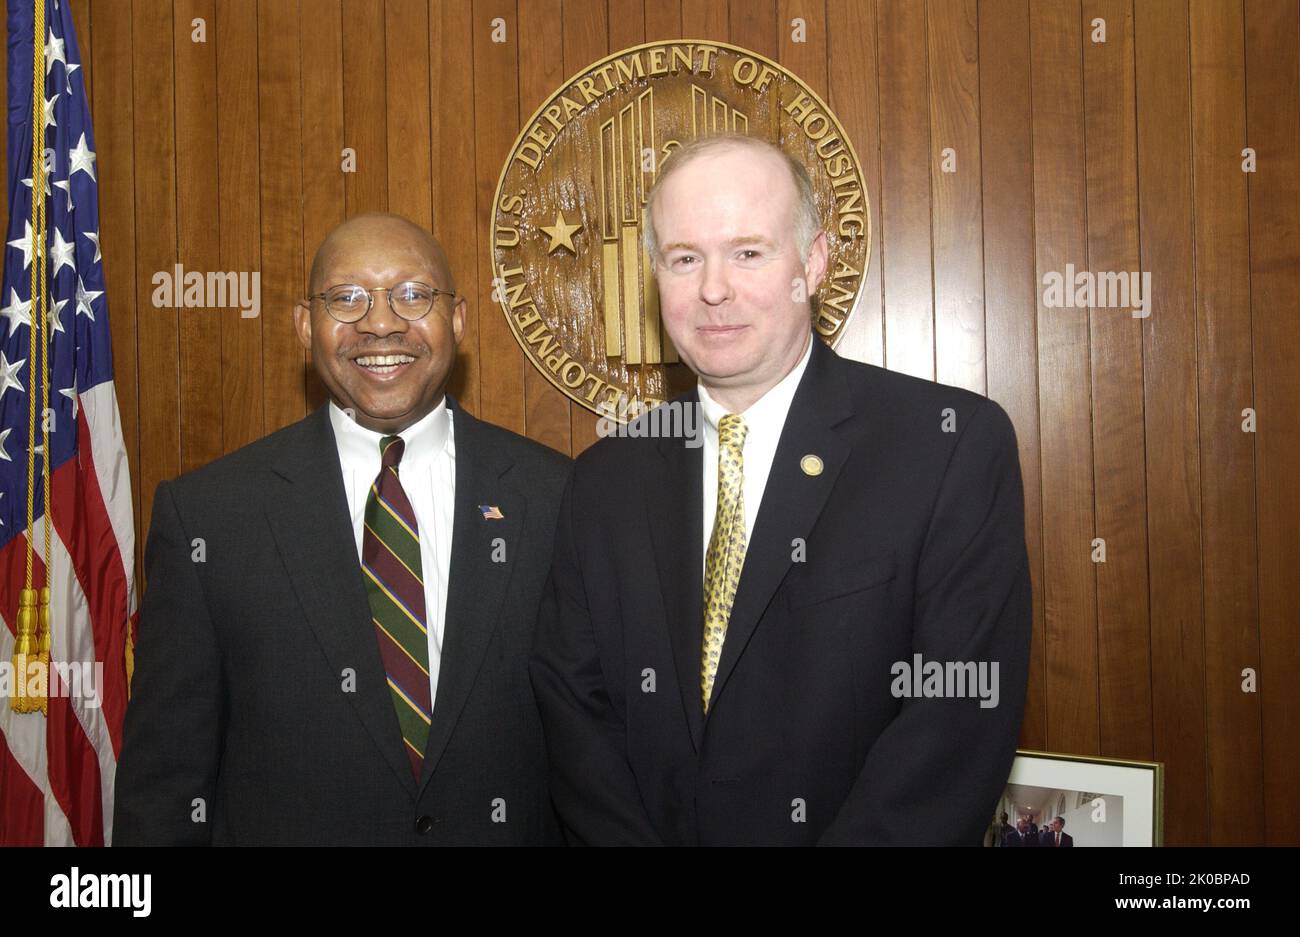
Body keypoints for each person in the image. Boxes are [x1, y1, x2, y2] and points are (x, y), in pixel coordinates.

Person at [530, 134, 1032, 845]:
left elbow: (951, 729)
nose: (713, 287)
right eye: (684, 258)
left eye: (748, 251)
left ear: (815, 262)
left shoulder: (947, 447)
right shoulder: (605, 479)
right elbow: (575, 711)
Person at [114, 213, 571, 844]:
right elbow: (166, 782)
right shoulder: (210, 517)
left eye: (413, 294)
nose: (380, 322)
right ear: (305, 325)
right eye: (345, 298)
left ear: (458, 321)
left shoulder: (557, 498)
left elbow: (595, 753)